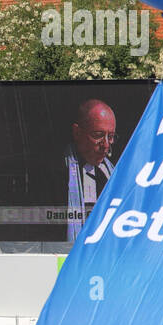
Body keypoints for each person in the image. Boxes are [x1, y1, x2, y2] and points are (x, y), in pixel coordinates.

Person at [63, 98, 116, 243]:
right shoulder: (60, 171)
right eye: (98, 135)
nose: (105, 145)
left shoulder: (114, 174)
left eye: (110, 137)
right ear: (77, 132)